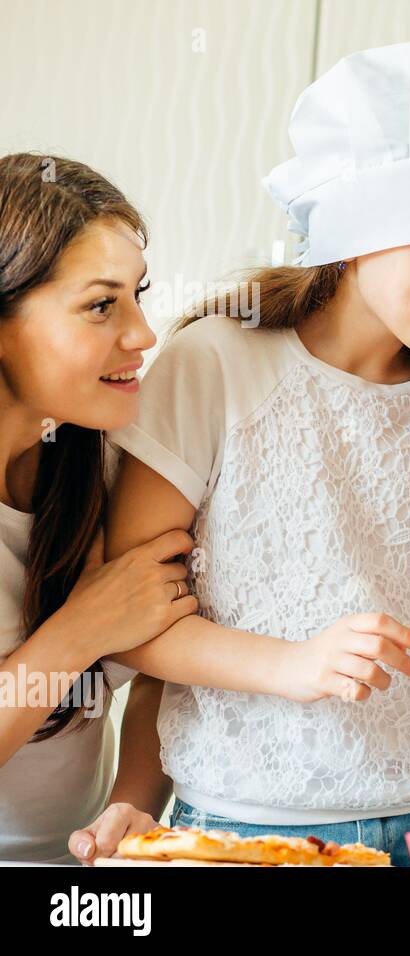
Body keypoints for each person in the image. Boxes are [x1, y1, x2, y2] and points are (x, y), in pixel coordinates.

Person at [102, 44, 410, 866]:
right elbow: (129, 624)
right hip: (246, 827)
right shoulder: (216, 367)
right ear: (358, 232)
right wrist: (295, 666)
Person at [0, 153, 198, 864]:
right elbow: (106, 630)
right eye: (100, 304)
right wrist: (82, 627)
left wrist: (133, 799)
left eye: (139, 295)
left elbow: (159, 667)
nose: (144, 334)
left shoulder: (109, 459)